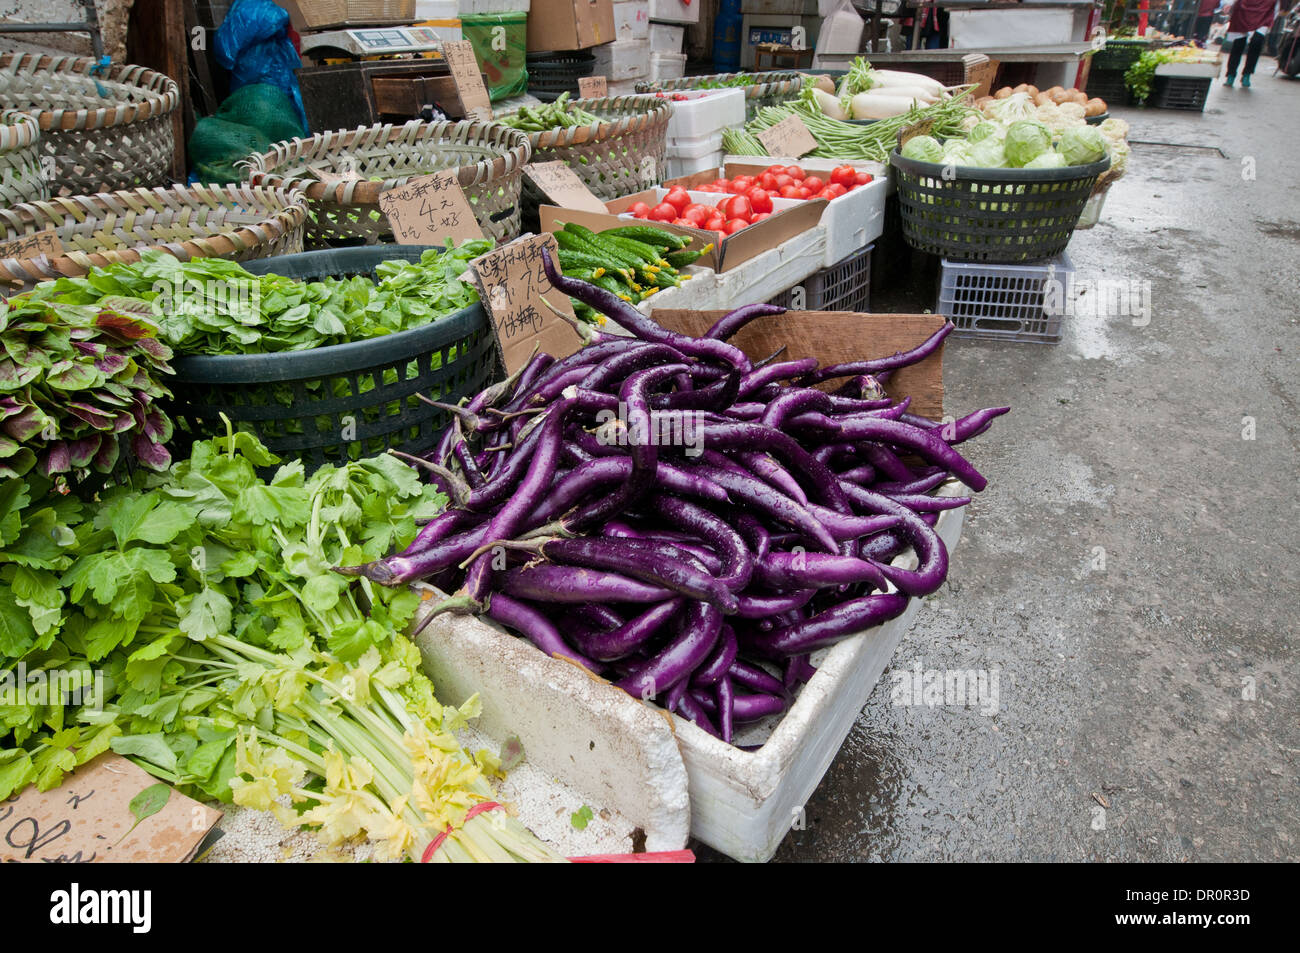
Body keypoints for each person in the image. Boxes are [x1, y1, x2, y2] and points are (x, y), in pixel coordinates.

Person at [1222, 0, 1281, 85]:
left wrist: (1271, 19)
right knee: (1238, 44)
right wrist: (1229, 3)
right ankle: (1231, 74)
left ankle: (1247, 73)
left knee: (1257, 42)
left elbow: (1276, 7)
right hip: (1243, 12)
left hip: (1264, 13)